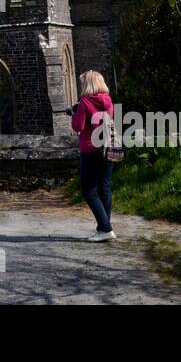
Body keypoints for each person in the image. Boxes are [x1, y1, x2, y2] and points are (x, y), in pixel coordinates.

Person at [71, 69, 116, 241]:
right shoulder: (108, 101)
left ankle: (106, 229)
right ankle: (103, 228)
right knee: (104, 188)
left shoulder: (85, 102)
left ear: (88, 84)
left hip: (90, 149)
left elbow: (78, 126)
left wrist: (74, 113)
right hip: (107, 147)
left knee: (88, 190)